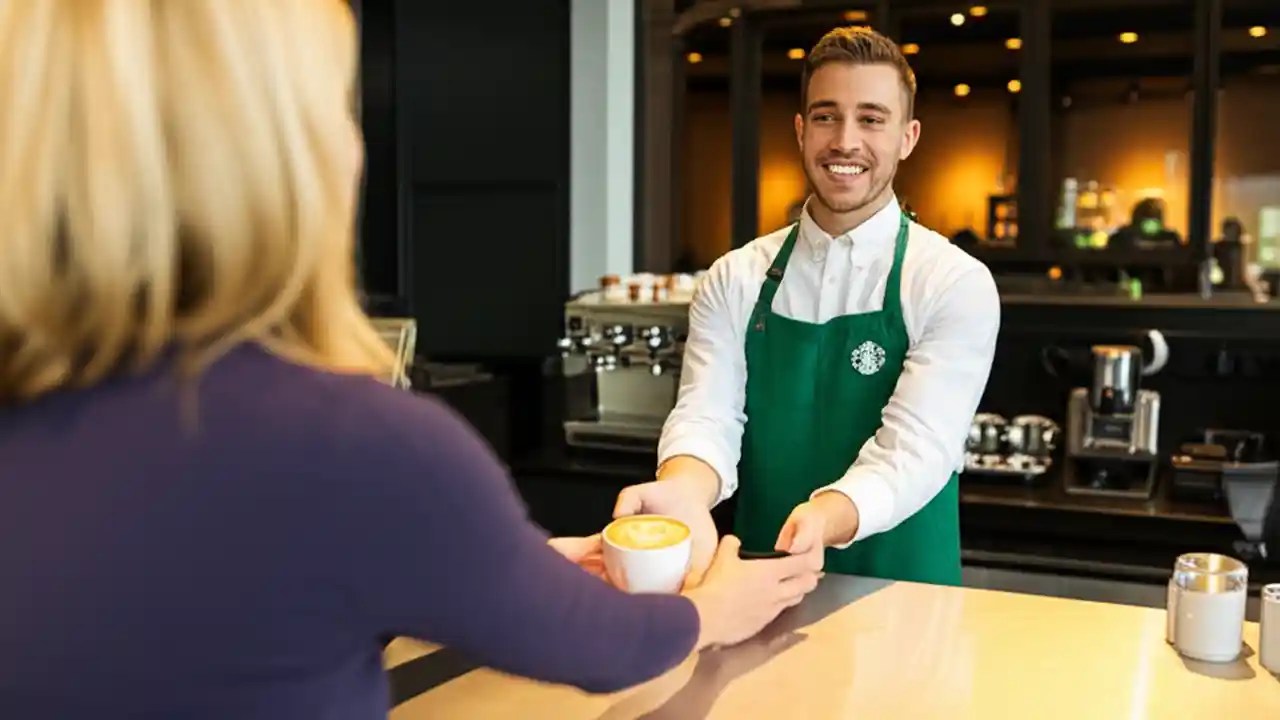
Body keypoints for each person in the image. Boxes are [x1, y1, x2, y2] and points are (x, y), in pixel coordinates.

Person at [0, 2, 821, 718]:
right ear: (280, 156)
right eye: (338, 109)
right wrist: (714, 610)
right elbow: (592, 646)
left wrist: (466, 564)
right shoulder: (358, 448)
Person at [614, 27, 1000, 588]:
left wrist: (827, 514)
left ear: (907, 137)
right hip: (758, 588)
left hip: (905, 597)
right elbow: (708, 415)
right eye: (825, 116)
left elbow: (916, 449)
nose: (845, 140)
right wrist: (682, 491)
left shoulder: (952, 281)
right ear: (800, 130)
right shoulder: (735, 277)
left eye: (871, 119)